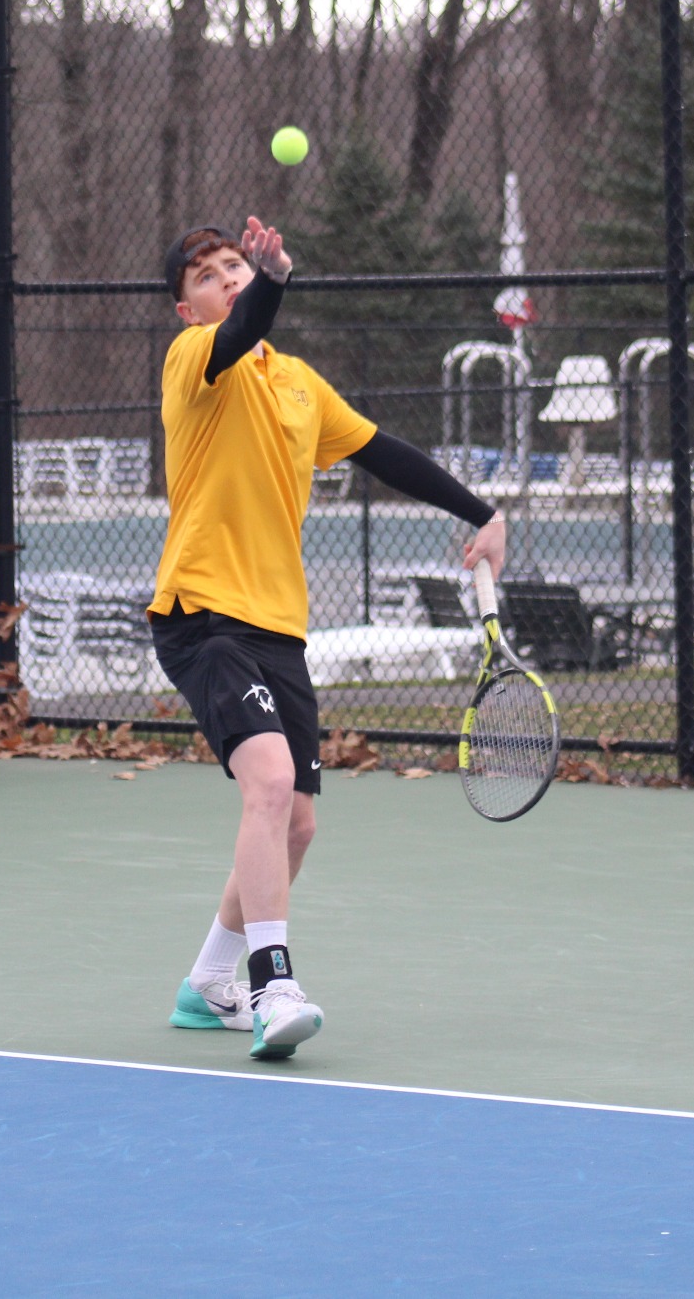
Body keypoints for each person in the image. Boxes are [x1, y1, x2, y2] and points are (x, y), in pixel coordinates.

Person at [153, 218, 506, 1058]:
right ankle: (273, 986)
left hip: (280, 624)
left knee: (298, 822)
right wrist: (272, 281)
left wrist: (482, 513)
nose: (225, 279)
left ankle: (208, 981)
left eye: (234, 263)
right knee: (268, 783)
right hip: (201, 613)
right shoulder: (195, 364)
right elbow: (244, 329)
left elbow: (386, 453)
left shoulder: (302, 386)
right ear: (185, 307)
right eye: (207, 275)